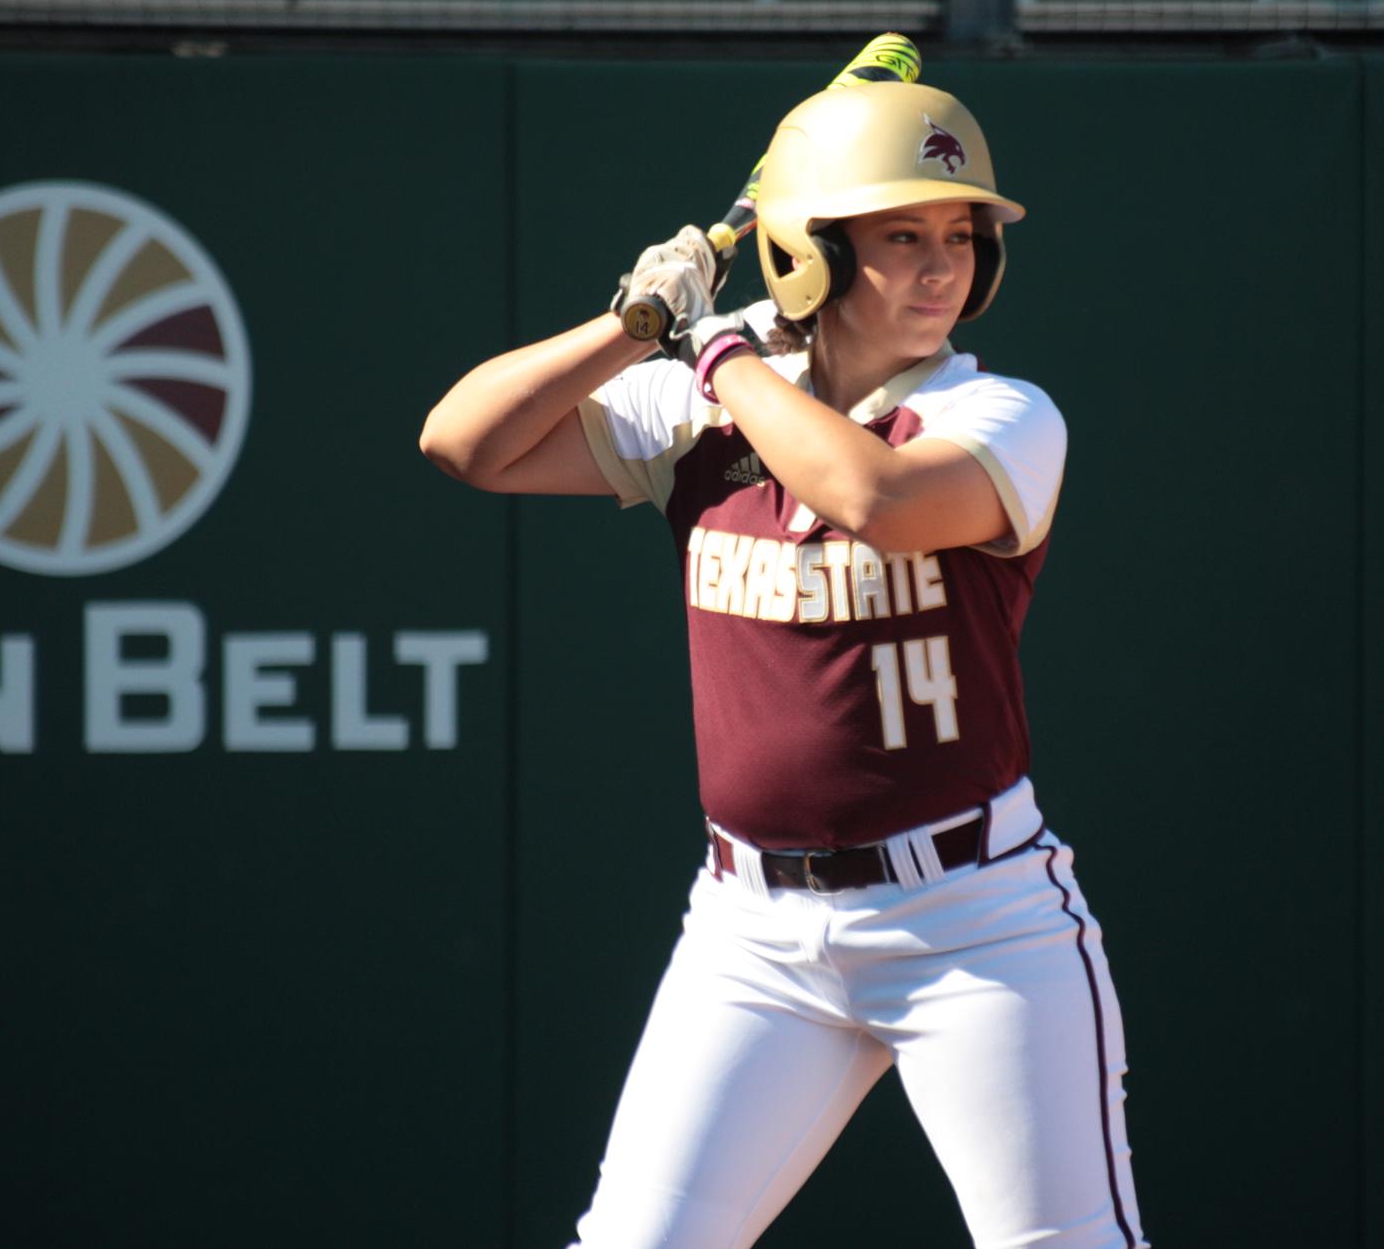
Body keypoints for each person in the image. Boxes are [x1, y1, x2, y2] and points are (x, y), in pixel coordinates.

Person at [420, 80, 1145, 1248]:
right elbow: (462, 442)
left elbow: (872, 494)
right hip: (749, 933)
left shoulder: (1002, 413)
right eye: (900, 234)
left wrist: (712, 347)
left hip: (973, 921)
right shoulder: (703, 407)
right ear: (807, 256)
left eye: (958, 235)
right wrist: (635, 325)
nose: (940, 266)